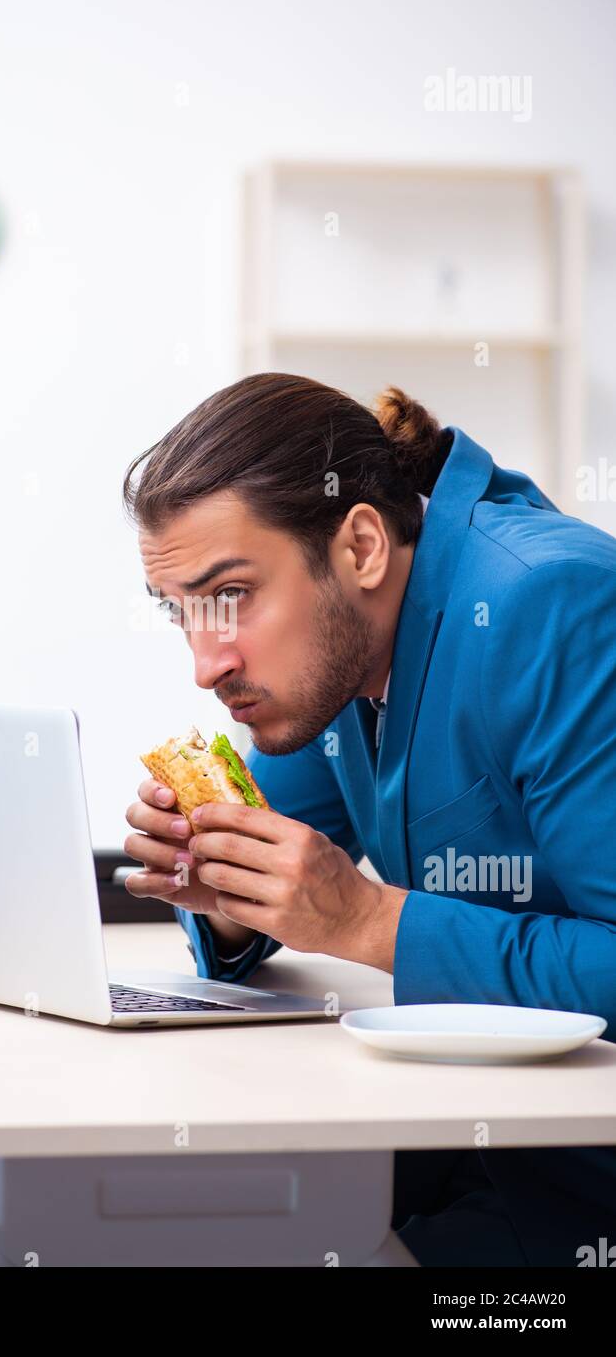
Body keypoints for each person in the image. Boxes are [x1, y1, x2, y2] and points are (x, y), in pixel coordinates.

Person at [122, 372, 616, 1267]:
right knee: (64, 1229)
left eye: (229, 598)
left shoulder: (554, 606)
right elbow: (278, 855)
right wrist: (227, 893)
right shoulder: (341, 659)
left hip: (581, 1183)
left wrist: (364, 920)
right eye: (182, 612)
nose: (205, 662)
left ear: (358, 546)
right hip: (453, 1122)